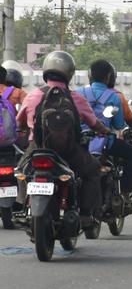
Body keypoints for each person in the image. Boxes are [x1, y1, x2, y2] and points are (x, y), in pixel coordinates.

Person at [18, 51, 109, 225]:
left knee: (21, 171)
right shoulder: (76, 98)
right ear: (69, 73)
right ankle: (86, 213)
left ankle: (23, 205)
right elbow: (94, 123)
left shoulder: (33, 95)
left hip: (37, 149)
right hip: (69, 152)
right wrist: (103, 130)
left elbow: (19, 121)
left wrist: (24, 128)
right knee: (93, 170)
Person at [78, 59, 132, 200]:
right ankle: (126, 191)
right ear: (108, 77)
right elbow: (118, 125)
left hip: (81, 143)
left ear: (89, 76)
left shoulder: (77, 93)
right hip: (106, 144)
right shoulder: (115, 96)